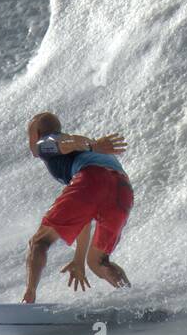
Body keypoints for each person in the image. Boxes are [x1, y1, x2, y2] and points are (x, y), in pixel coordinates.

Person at [21, 111, 132, 303]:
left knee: (39, 242)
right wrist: (79, 261)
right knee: (98, 262)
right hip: (123, 190)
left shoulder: (46, 142)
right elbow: (85, 217)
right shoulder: (85, 147)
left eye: (29, 134)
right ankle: (133, 299)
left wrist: (92, 145)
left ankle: (28, 298)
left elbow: (63, 143)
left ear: (36, 134)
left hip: (92, 179)